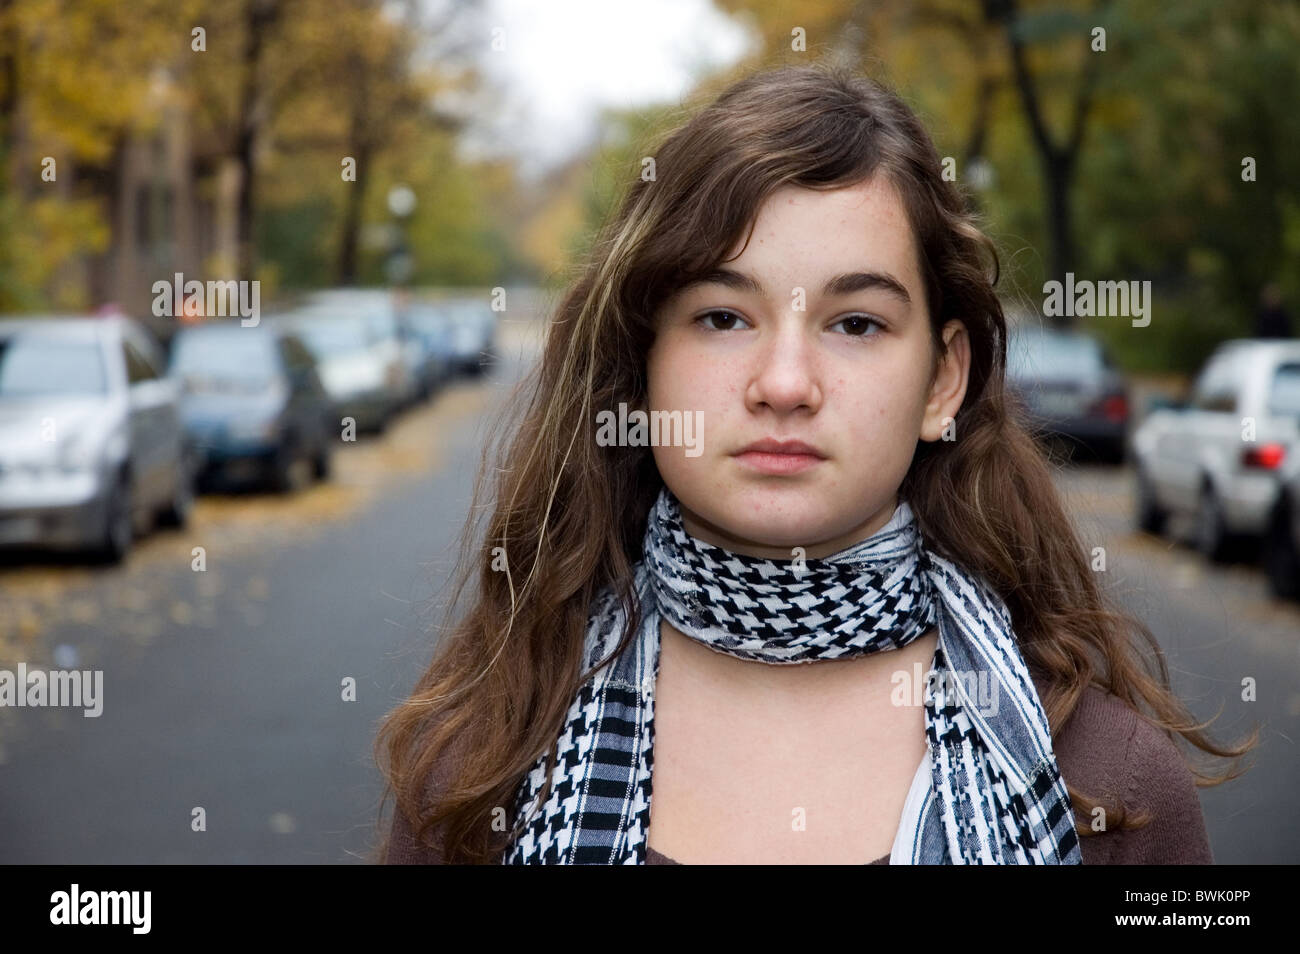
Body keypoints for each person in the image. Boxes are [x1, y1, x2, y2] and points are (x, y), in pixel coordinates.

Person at [374, 63, 1256, 865]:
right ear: (642, 365)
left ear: (941, 381)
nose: (785, 384)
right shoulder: (481, 770)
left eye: (856, 323)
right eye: (723, 316)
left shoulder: (1110, 793)